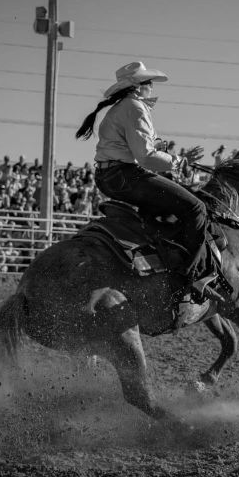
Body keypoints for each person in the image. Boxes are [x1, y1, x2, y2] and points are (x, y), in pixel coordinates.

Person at [75, 61, 215, 303]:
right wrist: (179, 160)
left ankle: (158, 258)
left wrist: (170, 156)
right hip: (125, 175)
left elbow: (140, 148)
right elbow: (146, 157)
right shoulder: (134, 107)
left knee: (165, 206)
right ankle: (192, 276)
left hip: (110, 175)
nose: (151, 86)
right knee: (196, 208)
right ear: (138, 86)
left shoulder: (122, 107)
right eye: (148, 82)